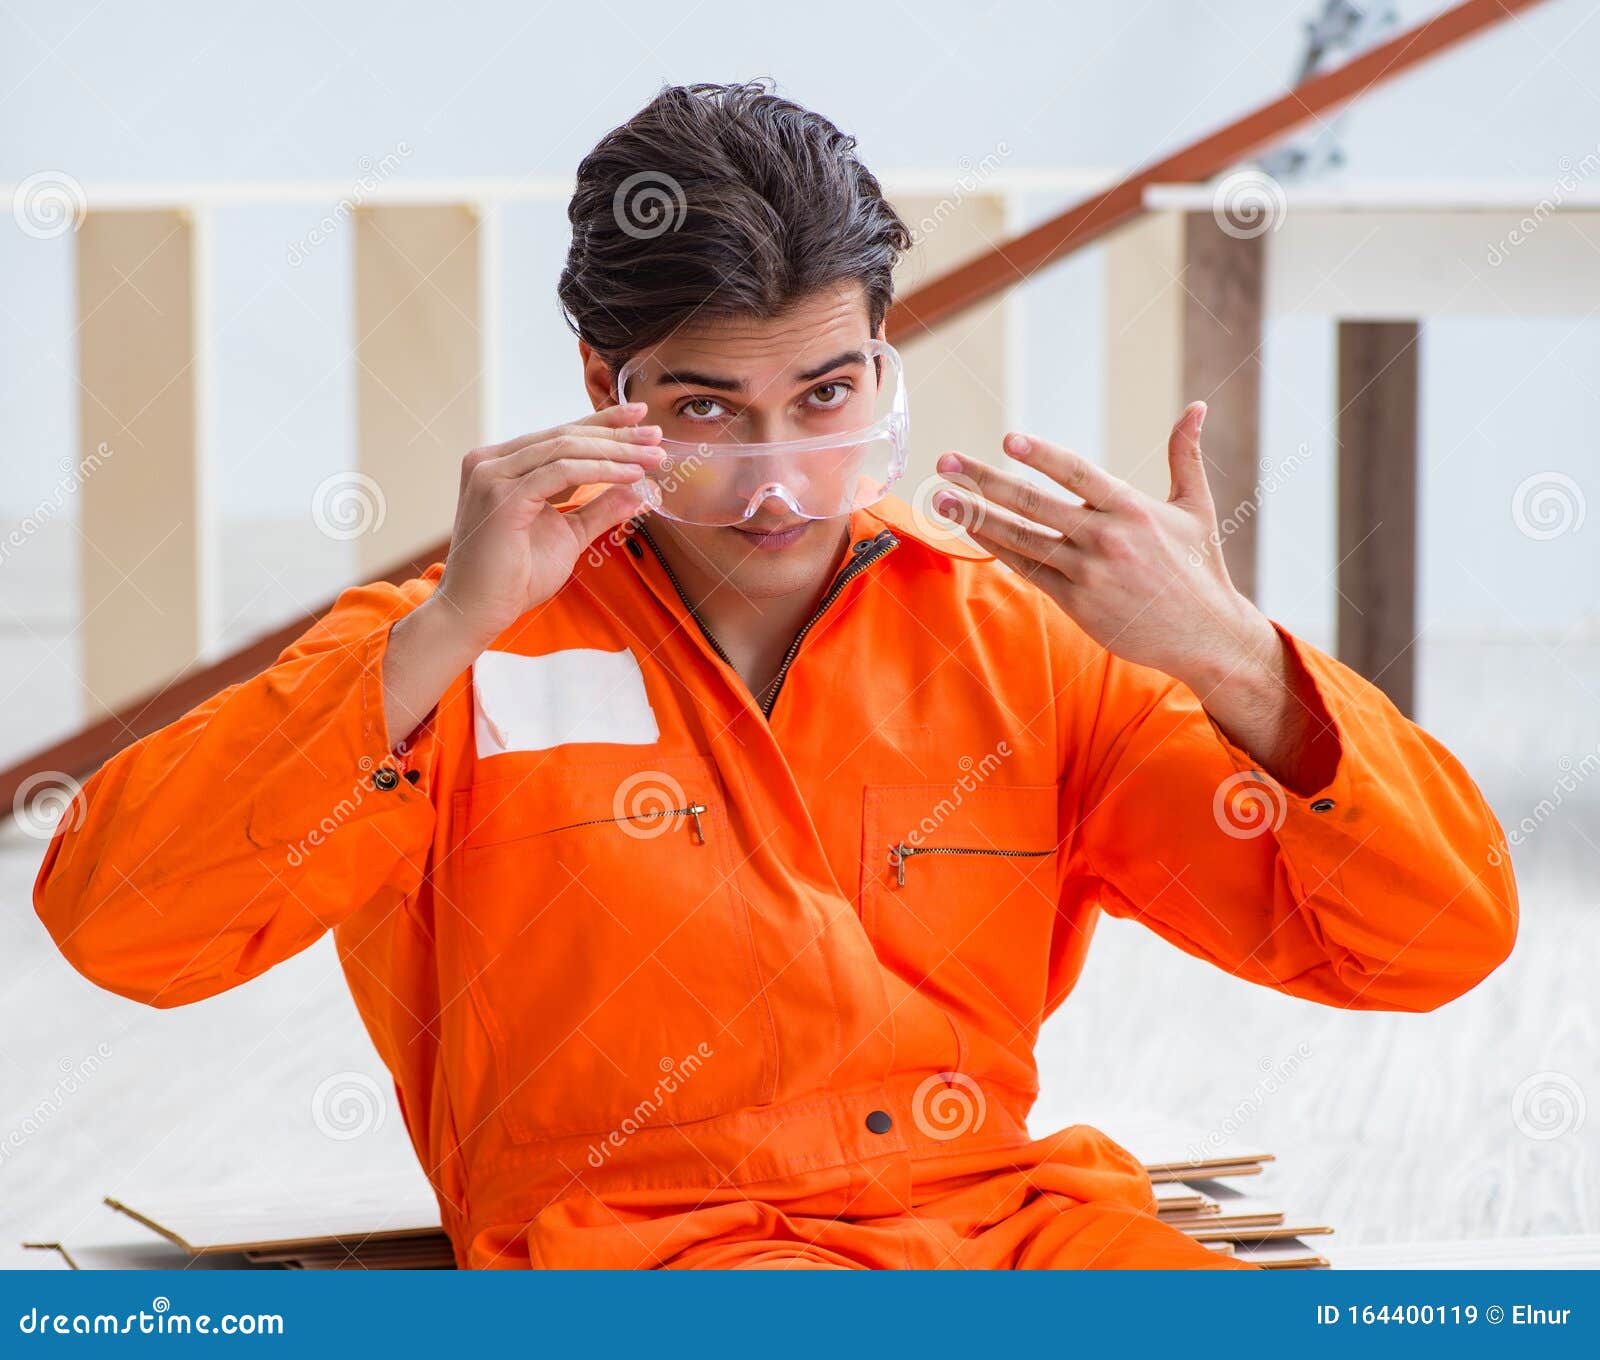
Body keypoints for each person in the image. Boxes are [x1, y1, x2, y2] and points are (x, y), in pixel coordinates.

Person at [34, 81, 1517, 1270]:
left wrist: (1233, 656)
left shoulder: (1028, 642)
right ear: (599, 384)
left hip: (1007, 1240)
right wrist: (436, 637)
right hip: (649, 1265)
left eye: (826, 397)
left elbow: (1431, 943)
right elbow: (127, 932)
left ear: (886, 356)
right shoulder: (455, 653)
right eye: (704, 410)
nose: (774, 481)